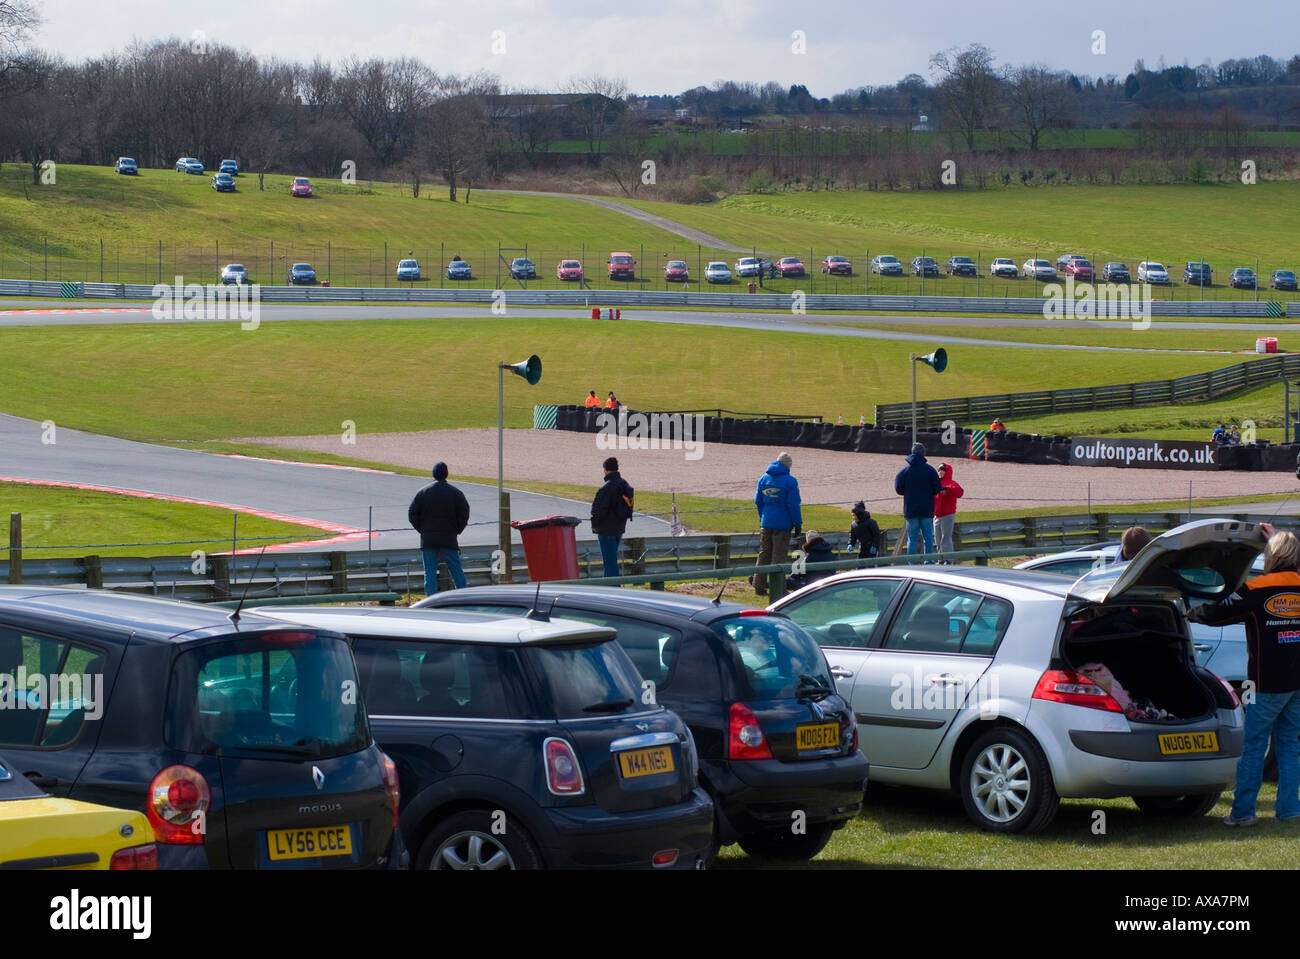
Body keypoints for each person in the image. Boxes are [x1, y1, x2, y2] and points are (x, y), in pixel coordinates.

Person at [1188, 522, 1300, 826]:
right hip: (1297, 683)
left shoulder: (1255, 589)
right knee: (1290, 744)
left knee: (1254, 744)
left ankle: (1243, 812)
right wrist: (1276, 536)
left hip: (1264, 682)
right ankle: (1290, 809)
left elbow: (1217, 613)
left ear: (1270, 555)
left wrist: (1188, 611)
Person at [408, 462, 470, 596]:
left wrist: (422, 530)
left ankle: (431, 601)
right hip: (449, 538)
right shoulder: (456, 493)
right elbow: (464, 513)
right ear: (446, 474)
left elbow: (412, 514)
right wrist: (457, 530)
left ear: (433, 474)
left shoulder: (423, 492)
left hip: (429, 539)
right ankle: (464, 598)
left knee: (429, 573)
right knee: (456, 571)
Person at [753, 452, 802, 595]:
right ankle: (778, 588)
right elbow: (793, 505)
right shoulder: (790, 482)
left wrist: (762, 518)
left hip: (766, 521)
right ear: (788, 465)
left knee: (764, 554)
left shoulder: (763, 478)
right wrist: (797, 523)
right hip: (783, 524)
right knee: (778, 557)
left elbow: (758, 501)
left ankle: (759, 585)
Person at [894, 443, 942, 557]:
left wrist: (907, 493)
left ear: (912, 453)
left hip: (911, 509)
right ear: (923, 453)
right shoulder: (930, 470)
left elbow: (898, 488)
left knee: (912, 538)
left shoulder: (904, 471)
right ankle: (928, 560)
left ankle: (911, 562)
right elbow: (937, 489)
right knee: (928, 537)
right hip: (927, 508)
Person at [590, 456, 635, 578]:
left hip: (606, 529)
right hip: (619, 527)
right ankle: (611, 587)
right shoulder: (624, 484)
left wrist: (596, 524)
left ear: (605, 469)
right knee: (611, 560)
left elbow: (598, 510)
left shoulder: (607, 487)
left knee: (610, 563)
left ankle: (613, 588)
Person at [932, 463, 965, 559]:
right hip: (937, 515)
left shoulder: (952, 483)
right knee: (937, 540)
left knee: (945, 539)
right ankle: (941, 559)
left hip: (948, 515)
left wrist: (949, 488)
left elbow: (960, 493)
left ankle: (949, 559)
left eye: (943, 470)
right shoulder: (935, 483)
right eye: (939, 470)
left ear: (947, 472)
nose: (940, 472)